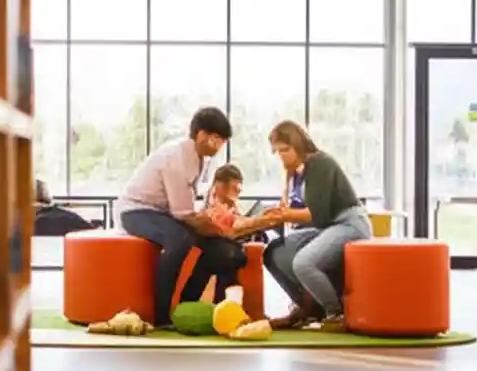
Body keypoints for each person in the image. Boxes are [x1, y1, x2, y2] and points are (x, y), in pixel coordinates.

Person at [116, 107, 233, 327]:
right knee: (180, 239)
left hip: (161, 212)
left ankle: (190, 305)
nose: (219, 146)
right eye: (216, 138)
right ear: (200, 134)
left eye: (222, 141)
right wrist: (213, 226)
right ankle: (160, 315)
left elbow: (185, 208)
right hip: (135, 210)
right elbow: (182, 213)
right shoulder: (176, 157)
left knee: (223, 249)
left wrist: (218, 231)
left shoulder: (198, 159)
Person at [261, 120, 371, 330]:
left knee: (303, 263)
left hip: (349, 224)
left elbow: (317, 214)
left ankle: (335, 312)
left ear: (298, 145)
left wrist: (283, 215)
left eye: (285, 150)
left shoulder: (321, 163)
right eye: (277, 152)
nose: (281, 156)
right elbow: (301, 212)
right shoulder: (299, 172)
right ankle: (307, 307)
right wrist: (282, 212)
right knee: (274, 252)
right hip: (328, 226)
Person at [178, 163, 280, 306]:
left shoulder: (229, 205)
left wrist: (263, 220)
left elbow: (235, 226)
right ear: (221, 186)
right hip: (209, 241)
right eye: (235, 187)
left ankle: (214, 306)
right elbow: (232, 227)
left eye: (239, 187)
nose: (238, 191)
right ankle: (219, 306)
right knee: (231, 256)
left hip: (220, 246)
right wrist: (264, 220)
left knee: (225, 259)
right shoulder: (213, 205)